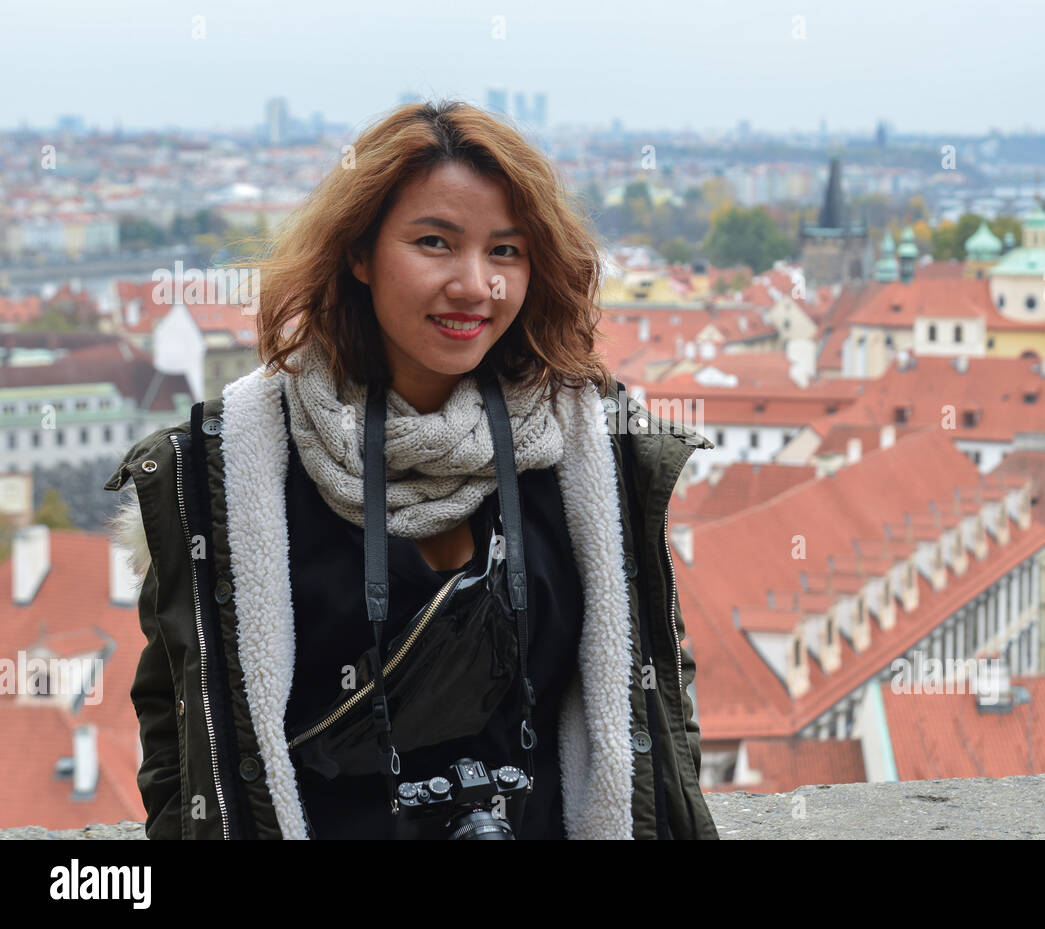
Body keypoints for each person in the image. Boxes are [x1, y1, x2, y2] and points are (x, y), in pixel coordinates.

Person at [104, 100, 718, 840]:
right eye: (436, 242)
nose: (474, 284)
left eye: (505, 251)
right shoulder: (230, 473)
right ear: (358, 253)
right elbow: (180, 742)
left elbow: (654, 693)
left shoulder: (588, 447)